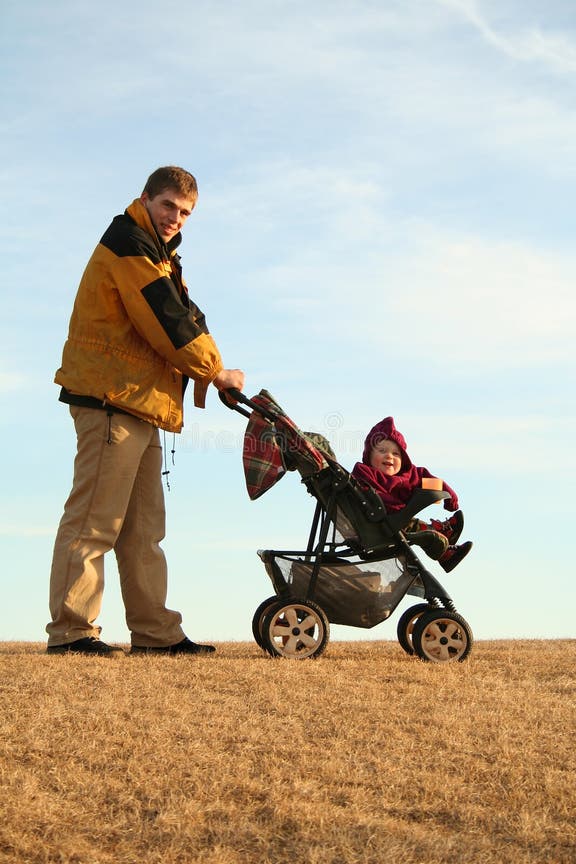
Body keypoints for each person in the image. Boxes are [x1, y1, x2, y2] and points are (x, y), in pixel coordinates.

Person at [46, 166, 245, 656]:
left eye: (185, 212)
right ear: (145, 199)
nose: (176, 218)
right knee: (94, 519)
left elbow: (185, 313)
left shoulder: (158, 254)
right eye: (168, 206)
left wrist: (209, 368)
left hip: (139, 403)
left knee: (143, 530)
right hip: (111, 399)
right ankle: (72, 631)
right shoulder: (129, 245)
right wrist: (214, 371)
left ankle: (156, 633)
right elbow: (167, 319)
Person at [352, 417, 472, 572]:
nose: (389, 456)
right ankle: (443, 547)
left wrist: (450, 497)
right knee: (420, 530)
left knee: (415, 520)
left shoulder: (407, 475)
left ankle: (443, 539)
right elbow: (367, 495)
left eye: (396, 454)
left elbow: (426, 477)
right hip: (379, 522)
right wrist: (397, 507)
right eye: (382, 451)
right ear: (369, 455)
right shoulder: (365, 472)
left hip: (399, 519)